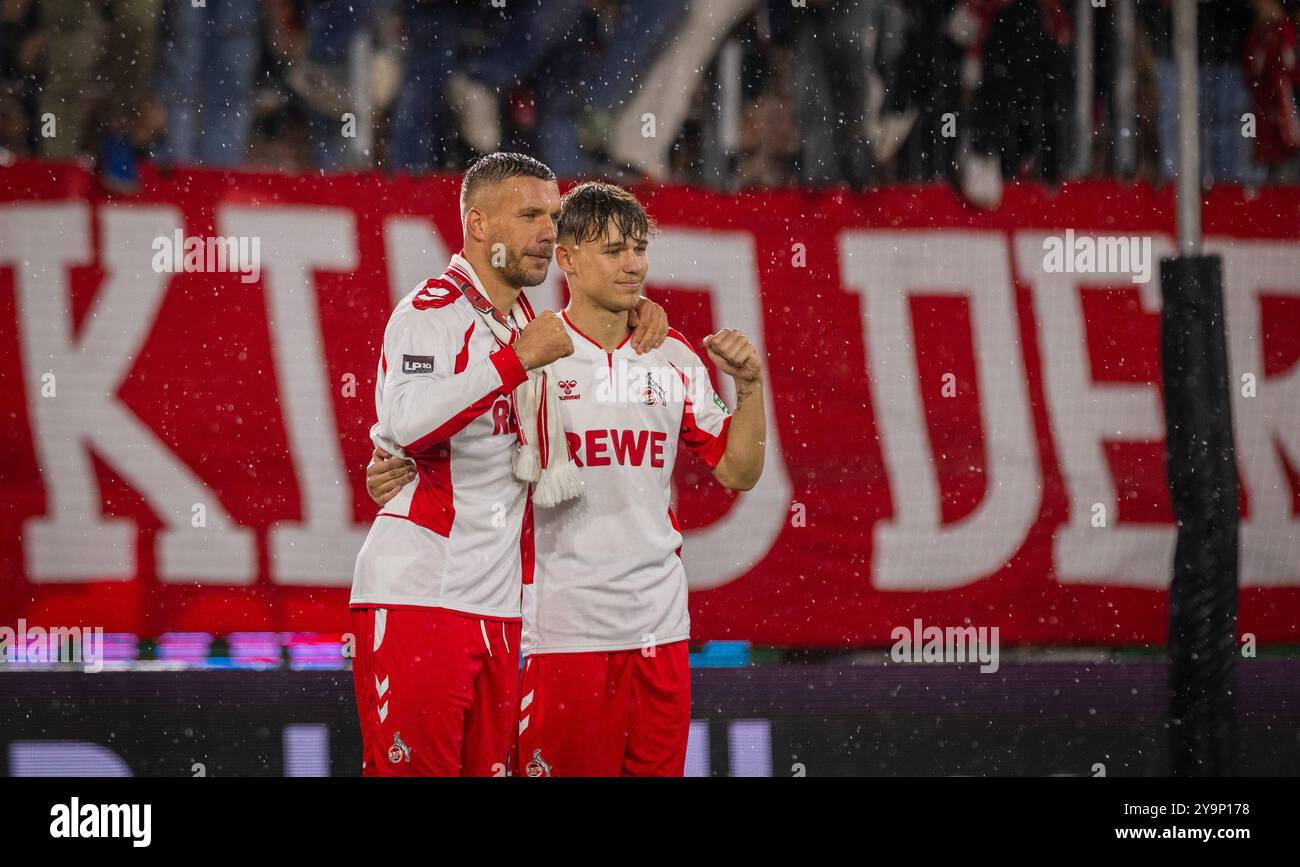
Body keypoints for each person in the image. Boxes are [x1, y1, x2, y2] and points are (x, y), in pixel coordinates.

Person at [368, 182, 767, 776]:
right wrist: (389, 462)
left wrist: (751, 386)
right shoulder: (535, 351)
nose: (633, 264)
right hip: (556, 631)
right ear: (568, 259)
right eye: (613, 250)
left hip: (660, 627)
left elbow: (740, 472)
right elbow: (437, 418)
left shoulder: (672, 355)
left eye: (639, 249)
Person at [349, 153, 668, 776]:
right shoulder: (431, 311)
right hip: (424, 597)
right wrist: (513, 363)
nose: (549, 230)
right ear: (477, 224)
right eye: (528, 215)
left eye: (553, 215)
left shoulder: (526, 320)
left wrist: (638, 311)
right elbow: (408, 422)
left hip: (498, 610)